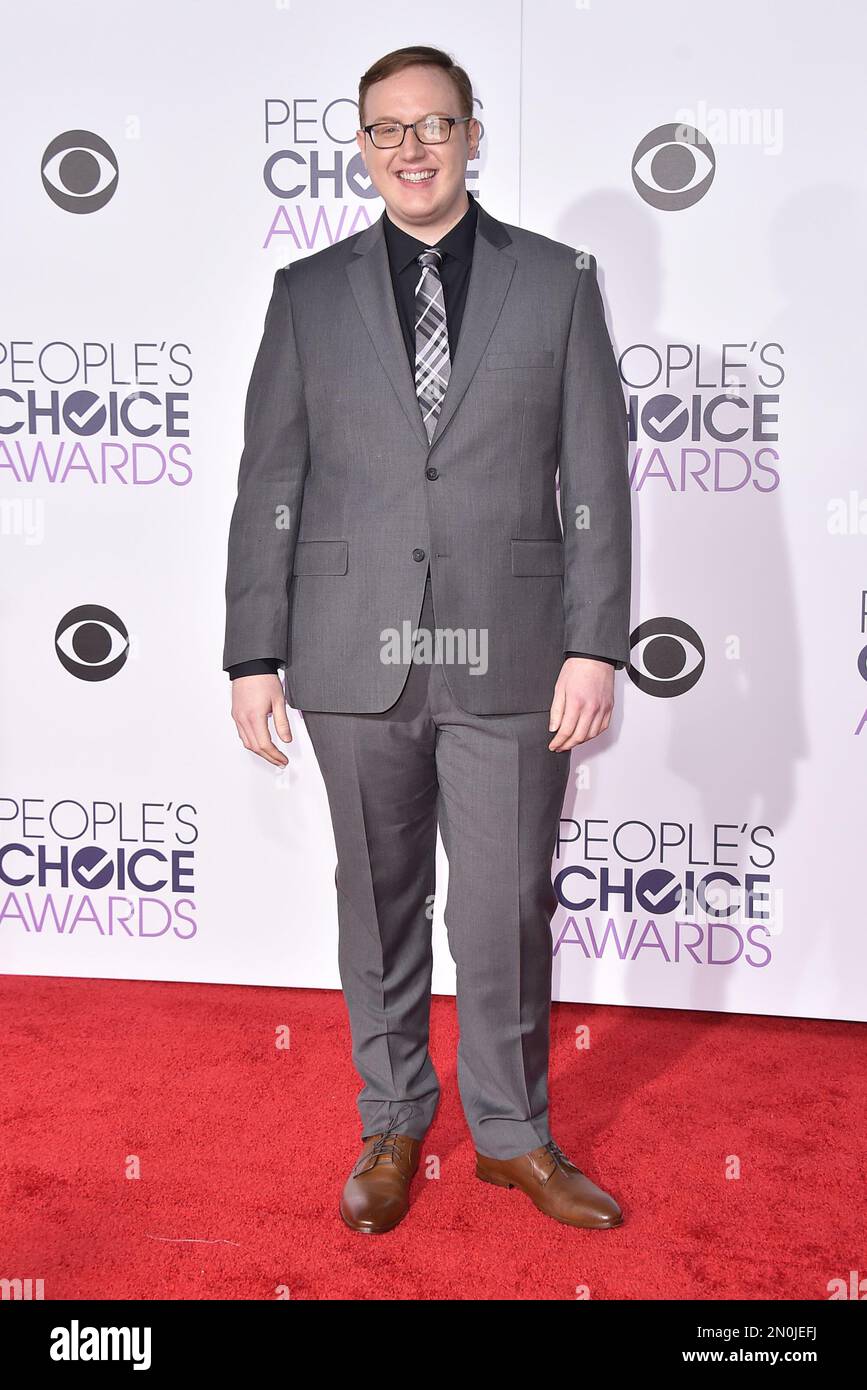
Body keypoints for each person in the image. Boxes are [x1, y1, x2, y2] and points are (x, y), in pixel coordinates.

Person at [223, 45, 632, 1234]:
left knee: (504, 908)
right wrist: (254, 652)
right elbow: (271, 484)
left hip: (512, 653)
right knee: (380, 901)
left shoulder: (557, 280)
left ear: (472, 135)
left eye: (434, 125)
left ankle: (511, 1135)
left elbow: (597, 476)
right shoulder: (306, 292)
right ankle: (394, 1120)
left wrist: (593, 643)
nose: (412, 147)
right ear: (360, 144)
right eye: (388, 128)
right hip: (351, 651)